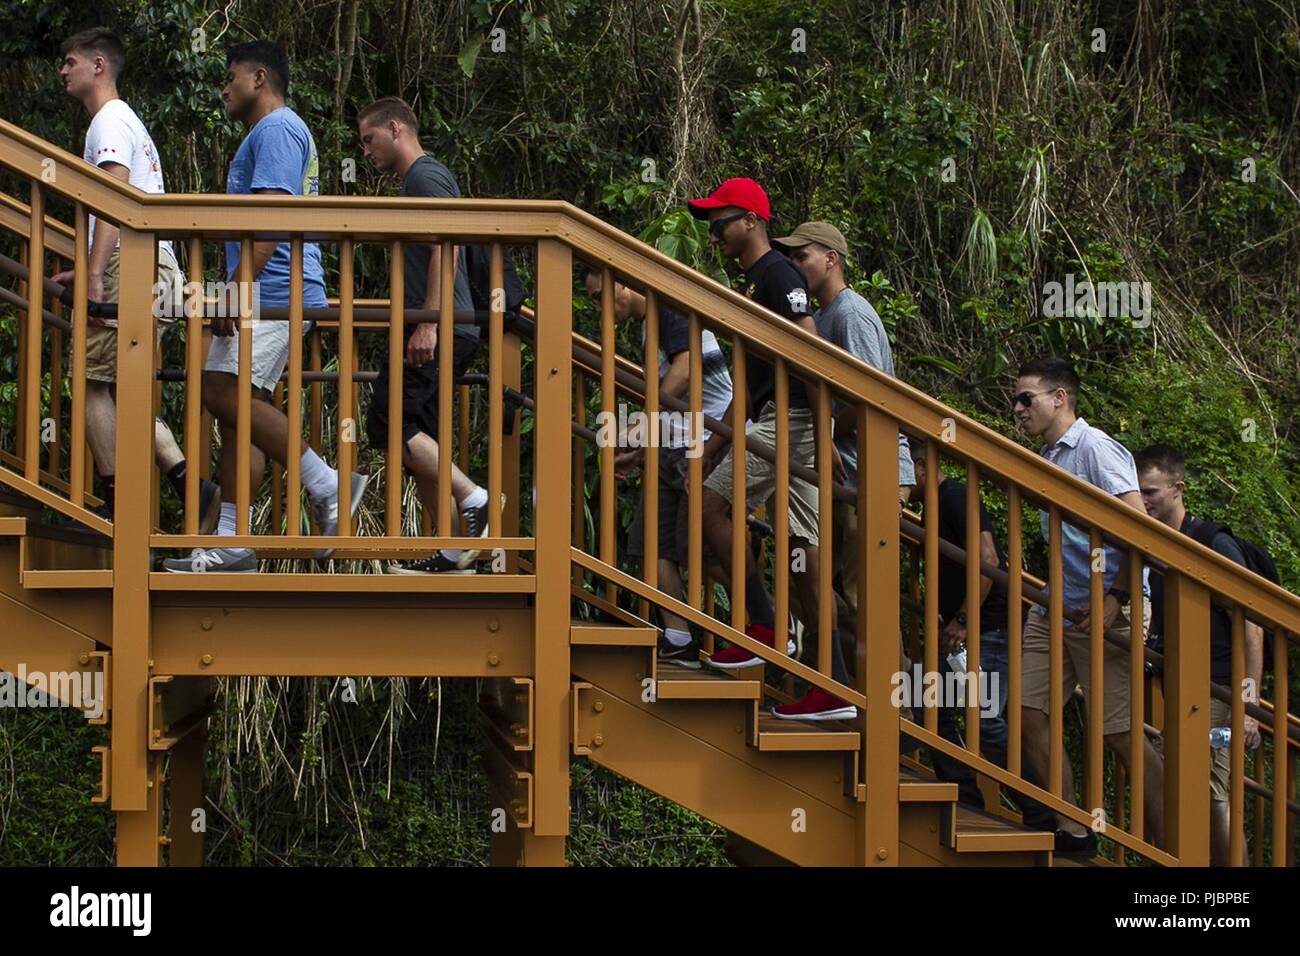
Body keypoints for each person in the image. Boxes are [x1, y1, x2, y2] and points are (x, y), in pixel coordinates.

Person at [163, 41, 365, 573]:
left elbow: (273, 214)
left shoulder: (277, 129)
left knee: (220, 391)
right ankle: (232, 541)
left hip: (275, 293)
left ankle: (328, 485)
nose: (224, 88)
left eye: (230, 77)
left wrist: (238, 287)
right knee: (237, 413)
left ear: (258, 78)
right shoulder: (272, 132)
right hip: (271, 291)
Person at [685, 179, 846, 720]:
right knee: (804, 557)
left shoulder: (777, 273)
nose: (714, 234)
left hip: (794, 418)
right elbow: (745, 386)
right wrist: (715, 443)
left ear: (751, 220)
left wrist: (821, 428)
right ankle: (836, 686)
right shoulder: (754, 282)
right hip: (778, 417)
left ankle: (764, 627)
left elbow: (809, 343)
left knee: (709, 505)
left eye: (721, 222)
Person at [53, 27, 219, 529]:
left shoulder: (107, 123)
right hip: (156, 266)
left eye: (69, 61)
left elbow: (115, 198)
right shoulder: (126, 121)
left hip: (132, 262)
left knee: (90, 381)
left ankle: (118, 502)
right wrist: (87, 267)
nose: (62, 70)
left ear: (98, 66)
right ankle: (190, 485)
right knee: (123, 384)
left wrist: (97, 273)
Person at [1013, 356, 1164, 853]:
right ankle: (1073, 827)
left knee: (1119, 734)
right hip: (1057, 606)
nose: (1018, 409)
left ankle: (1181, 844)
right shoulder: (1048, 454)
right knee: (1028, 710)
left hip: (1109, 605)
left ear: (1060, 398)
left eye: (1025, 398)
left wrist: (1116, 598)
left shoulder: (1095, 449)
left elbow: (1140, 532)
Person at [357, 97, 494, 573]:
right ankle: (455, 549)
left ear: (395, 128)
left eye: (369, 140)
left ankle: (474, 498)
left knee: (387, 423)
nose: (366, 152)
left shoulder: (423, 177)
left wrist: (429, 323)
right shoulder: (419, 179)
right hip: (447, 324)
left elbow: (446, 244)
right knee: (421, 436)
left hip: (441, 325)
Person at [583, 270, 733, 667]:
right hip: (675, 443)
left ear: (623, 285)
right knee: (650, 540)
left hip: (709, 442)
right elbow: (674, 401)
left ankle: (767, 620)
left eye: (600, 296)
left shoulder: (667, 302)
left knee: (700, 545)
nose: (598, 307)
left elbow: (687, 369)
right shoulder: (647, 326)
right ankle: (679, 634)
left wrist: (640, 422)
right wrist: (641, 450)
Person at [773, 221, 915, 639]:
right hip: (844, 471)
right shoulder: (819, 315)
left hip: (875, 470)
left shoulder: (850, 313)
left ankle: (894, 697)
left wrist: (825, 435)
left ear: (831, 259)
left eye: (803, 257)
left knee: (860, 594)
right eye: (792, 259)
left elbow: (870, 394)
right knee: (807, 579)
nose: (796, 266)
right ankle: (849, 685)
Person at [1136, 443, 1264, 865]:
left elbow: (1251, 624)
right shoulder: (1159, 544)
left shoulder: (1212, 543)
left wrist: (1248, 706)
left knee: (1206, 786)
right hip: (1185, 686)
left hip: (1218, 692)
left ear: (1178, 489)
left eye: (1152, 491)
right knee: (1205, 787)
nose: (1145, 500)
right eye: (1140, 491)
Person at [908, 437, 1010, 809]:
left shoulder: (953, 496)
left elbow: (988, 560)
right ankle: (964, 795)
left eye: (904, 471)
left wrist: (965, 619)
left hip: (991, 626)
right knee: (924, 694)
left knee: (984, 719)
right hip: (961, 628)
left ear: (921, 467)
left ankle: (1043, 806)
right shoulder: (931, 507)